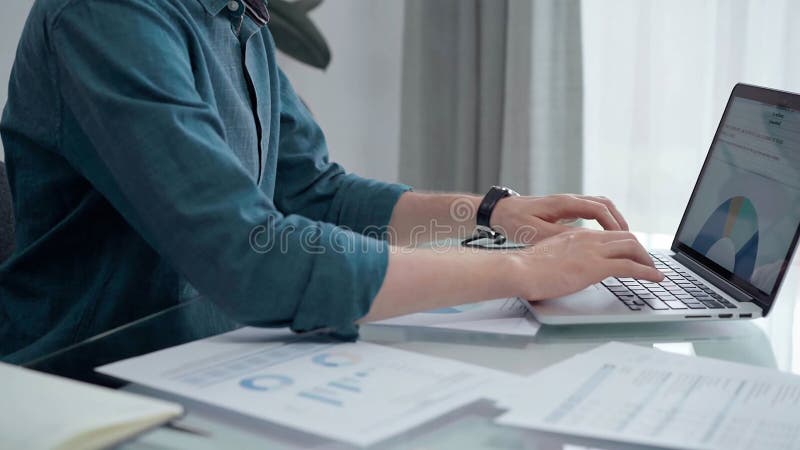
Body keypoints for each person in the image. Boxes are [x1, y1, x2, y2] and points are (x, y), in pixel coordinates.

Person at [0, 0, 663, 363]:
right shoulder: (107, 16)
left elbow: (319, 194)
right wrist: (522, 272)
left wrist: (491, 214)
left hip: (211, 361)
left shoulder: (238, 18)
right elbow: (250, 256)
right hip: (84, 384)